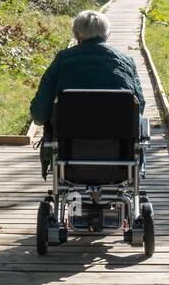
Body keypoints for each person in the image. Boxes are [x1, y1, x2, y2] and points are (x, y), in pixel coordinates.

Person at [30, 9, 149, 176]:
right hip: (120, 160)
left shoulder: (62, 60)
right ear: (107, 35)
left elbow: (39, 113)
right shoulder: (126, 62)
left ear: (76, 35)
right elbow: (139, 105)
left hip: (68, 161)